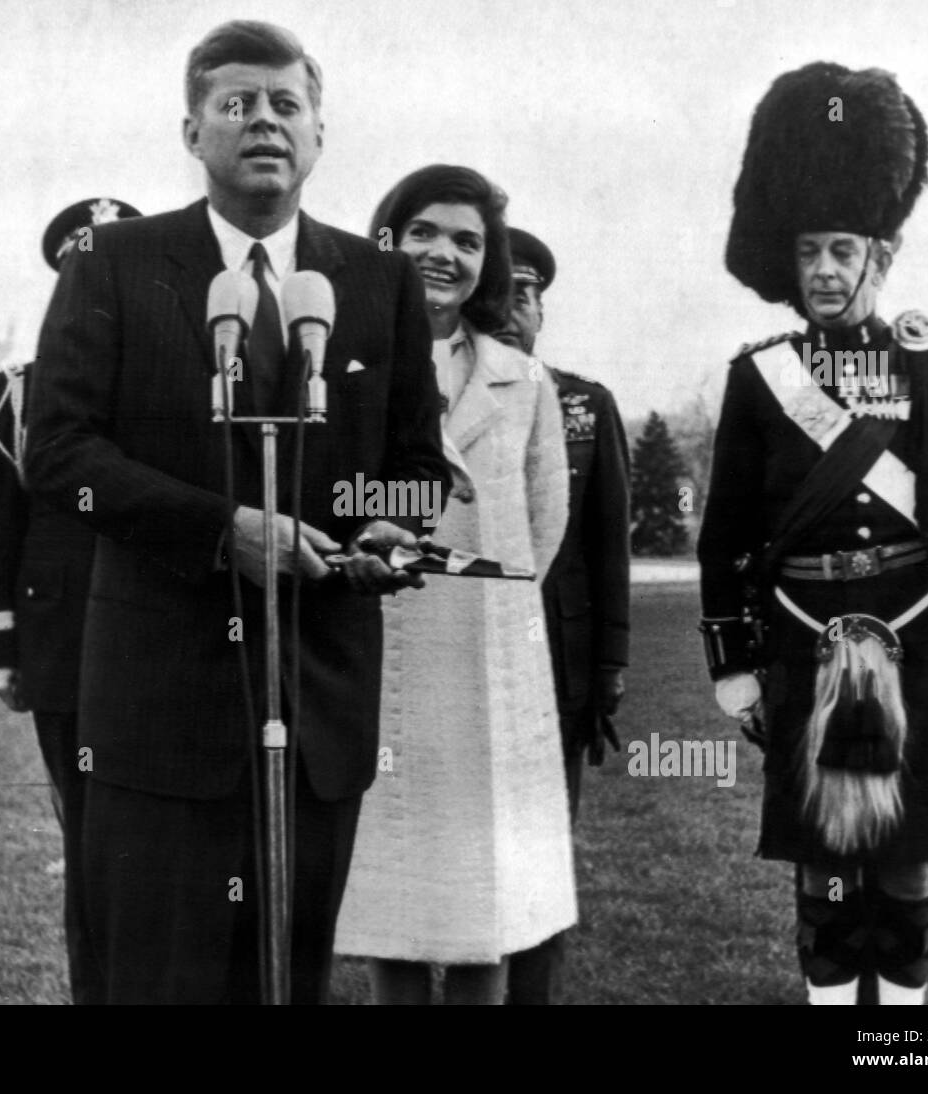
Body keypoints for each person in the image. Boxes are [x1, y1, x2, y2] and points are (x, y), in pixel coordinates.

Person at [23, 21, 450, 1004]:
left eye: (286, 104)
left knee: (287, 981)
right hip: (159, 704)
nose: (265, 120)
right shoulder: (116, 263)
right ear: (192, 130)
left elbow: (413, 468)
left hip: (319, 705)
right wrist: (223, 532)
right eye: (237, 103)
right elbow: (61, 453)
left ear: (318, 134)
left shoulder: (376, 282)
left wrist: (385, 531)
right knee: (152, 979)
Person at [700, 62, 928, 1005]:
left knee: (910, 869)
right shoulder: (759, 378)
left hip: (923, 640)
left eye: (844, 250)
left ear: (880, 259)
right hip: (807, 640)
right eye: (809, 251)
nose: (825, 272)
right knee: (826, 874)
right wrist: (732, 660)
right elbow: (724, 532)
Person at [333, 165, 573, 1004]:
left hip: (490, 669)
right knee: (392, 891)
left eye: (468, 241)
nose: (444, 254)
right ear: (387, 240)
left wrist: (496, 621)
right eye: (424, 232)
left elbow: (543, 526)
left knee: (488, 907)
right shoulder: (340, 361)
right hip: (383, 649)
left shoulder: (522, 377)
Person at [0, 194, 142, 1005]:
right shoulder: (22, 390)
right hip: (66, 641)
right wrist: (4, 651)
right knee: (89, 842)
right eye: (85, 266)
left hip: (172, 637)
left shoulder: (189, 371)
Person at [495, 227, 631, 1005]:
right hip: (465, 660)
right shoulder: (425, 396)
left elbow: (609, 545)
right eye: (500, 293)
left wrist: (610, 665)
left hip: (558, 668)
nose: (514, 309)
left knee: (542, 855)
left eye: (528, 293)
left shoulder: (585, 405)